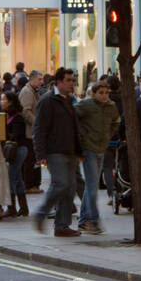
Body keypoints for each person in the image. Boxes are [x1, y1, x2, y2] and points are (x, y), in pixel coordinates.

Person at [32, 67, 81, 237]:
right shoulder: (47, 100)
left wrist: (78, 150)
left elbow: (74, 127)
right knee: (60, 183)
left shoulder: (68, 99)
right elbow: (39, 129)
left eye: (72, 80)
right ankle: (40, 214)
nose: (71, 84)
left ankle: (62, 225)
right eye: (68, 80)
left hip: (69, 151)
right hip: (54, 151)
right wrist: (40, 154)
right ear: (59, 82)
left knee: (70, 187)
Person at [74, 80, 118, 235]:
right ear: (93, 93)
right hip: (89, 149)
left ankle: (84, 220)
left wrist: (107, 136)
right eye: (101, 93)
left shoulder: (111, 107)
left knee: (90, 186)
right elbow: (73, 117)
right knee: (93, 186)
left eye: (107, 93)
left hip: (101, 148)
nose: (105, 96)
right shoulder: (86, 105)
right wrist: (81, 137)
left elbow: (116, 122)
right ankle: (92, 220)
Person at [2, 90, 30, 217]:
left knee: (10, 178)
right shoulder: (7, 115)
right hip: (15, 150)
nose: (1, 102)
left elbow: (16, 136)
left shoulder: (17, 117)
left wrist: (5, 135)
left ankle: (11, 207)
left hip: (17, 150)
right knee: (18, 178)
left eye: (4, 100)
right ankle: (24, 208)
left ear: (11, 102)